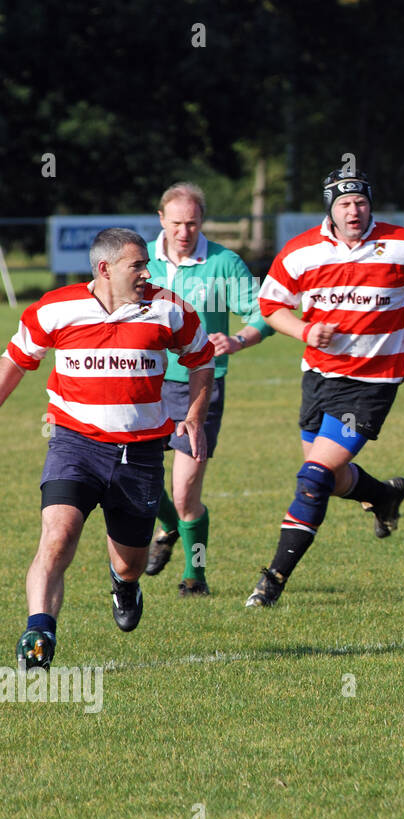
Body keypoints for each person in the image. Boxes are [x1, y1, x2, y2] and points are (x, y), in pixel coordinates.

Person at [245, 166, 404, 607]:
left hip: (373, 382)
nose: (354, 210)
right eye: (344, 203)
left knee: (313, 477)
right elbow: (271, 306)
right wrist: (304, 332)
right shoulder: (301, 251)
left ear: (370, 204)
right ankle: (384, 495)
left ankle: (272, 581)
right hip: (318, 378)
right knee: (330, 477)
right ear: (331, 208)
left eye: (360, 202)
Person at [3, 229, 214, 668]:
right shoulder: (56, 308)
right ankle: (39, 633)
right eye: (137, 265)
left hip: (139, 454)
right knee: (57, 538)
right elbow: (16, 361)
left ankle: (124, 584)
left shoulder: (169, 309)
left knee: (131, 562)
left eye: (146, 265)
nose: (146, 272)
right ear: (105, 268)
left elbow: (202, 359)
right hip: (74, 444)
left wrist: (194, 414)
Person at [142, 182, 271, 597]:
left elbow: (261, 313)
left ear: (202, 222)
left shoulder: (223, 263)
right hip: (144, 383)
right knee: (139, 481)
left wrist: (237, 340)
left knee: (184, 496)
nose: (184, 232)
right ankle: (166, 527)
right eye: (177, 223)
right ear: (161, 219)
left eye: (193, 223)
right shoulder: (141, 261)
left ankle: (195, 576)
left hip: (200, 388)